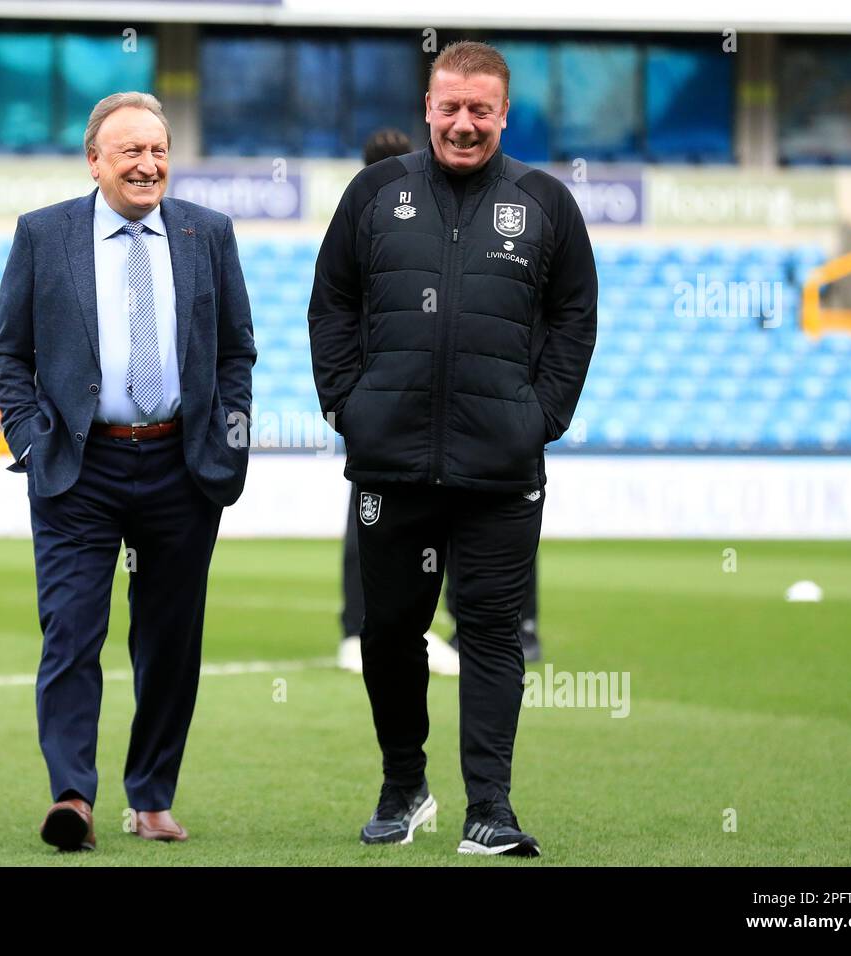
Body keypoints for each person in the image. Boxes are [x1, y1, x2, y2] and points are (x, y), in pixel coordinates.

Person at [308, 41, 596, 856]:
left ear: (504, 115)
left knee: (494, 632)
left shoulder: (544, 203)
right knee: (389, 631)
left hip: (500, 467)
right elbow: (330, 303)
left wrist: (539, 416)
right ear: (426, 107)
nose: (464, 124)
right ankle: (404, 787)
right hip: (390, 462)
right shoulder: (375, 193)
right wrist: (347, 404)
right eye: (450, 107)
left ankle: (491, 808)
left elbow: (576, 318)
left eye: (481, 109)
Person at [0, 91, 255, 852]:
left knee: (170, 641)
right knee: (71, 633)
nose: (149, 165)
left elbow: (236, 352)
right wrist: (31, 439)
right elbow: (10, 353)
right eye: (132, 152)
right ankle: (73, 796)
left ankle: (151, 796)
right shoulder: (44, 234)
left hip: (182, 464)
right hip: (79, 465)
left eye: (159, 150)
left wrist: (229, 442)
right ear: (95, 160)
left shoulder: (210, 232)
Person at [338, 128, 461, 678]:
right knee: (404, 517)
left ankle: (365, 625)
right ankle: (363, 626)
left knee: (378, 518)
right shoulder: (374, 226)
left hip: (398, 405)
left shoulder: (373, 222)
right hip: (395, 406)